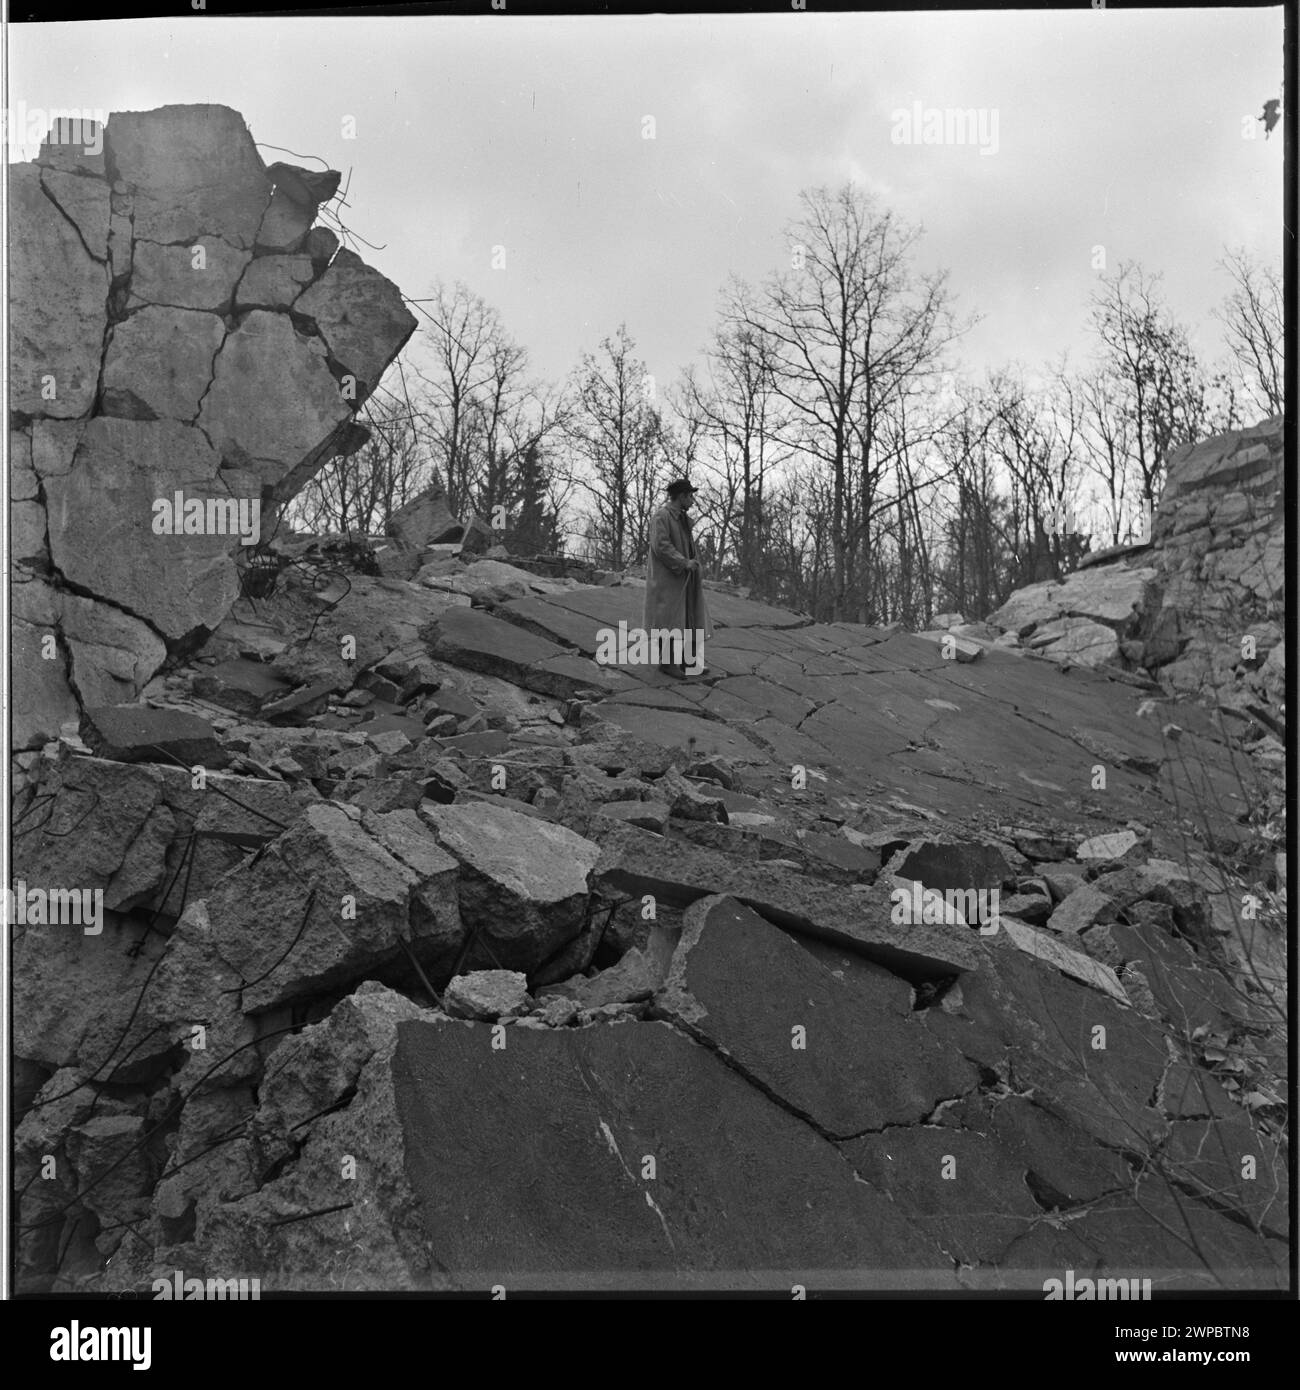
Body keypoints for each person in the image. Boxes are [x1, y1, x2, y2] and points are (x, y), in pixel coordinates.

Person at [643, 478, 712, 678]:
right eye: (690, 496)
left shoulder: (680, 518)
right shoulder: (662, 517)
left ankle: (688, 662)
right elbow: (661, 546)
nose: (692, 500)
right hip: (668, 579)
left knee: (689, 618)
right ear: (681, 496)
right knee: (670, 620)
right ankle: (667, 663)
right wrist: (683, 562)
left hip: (685, 578)